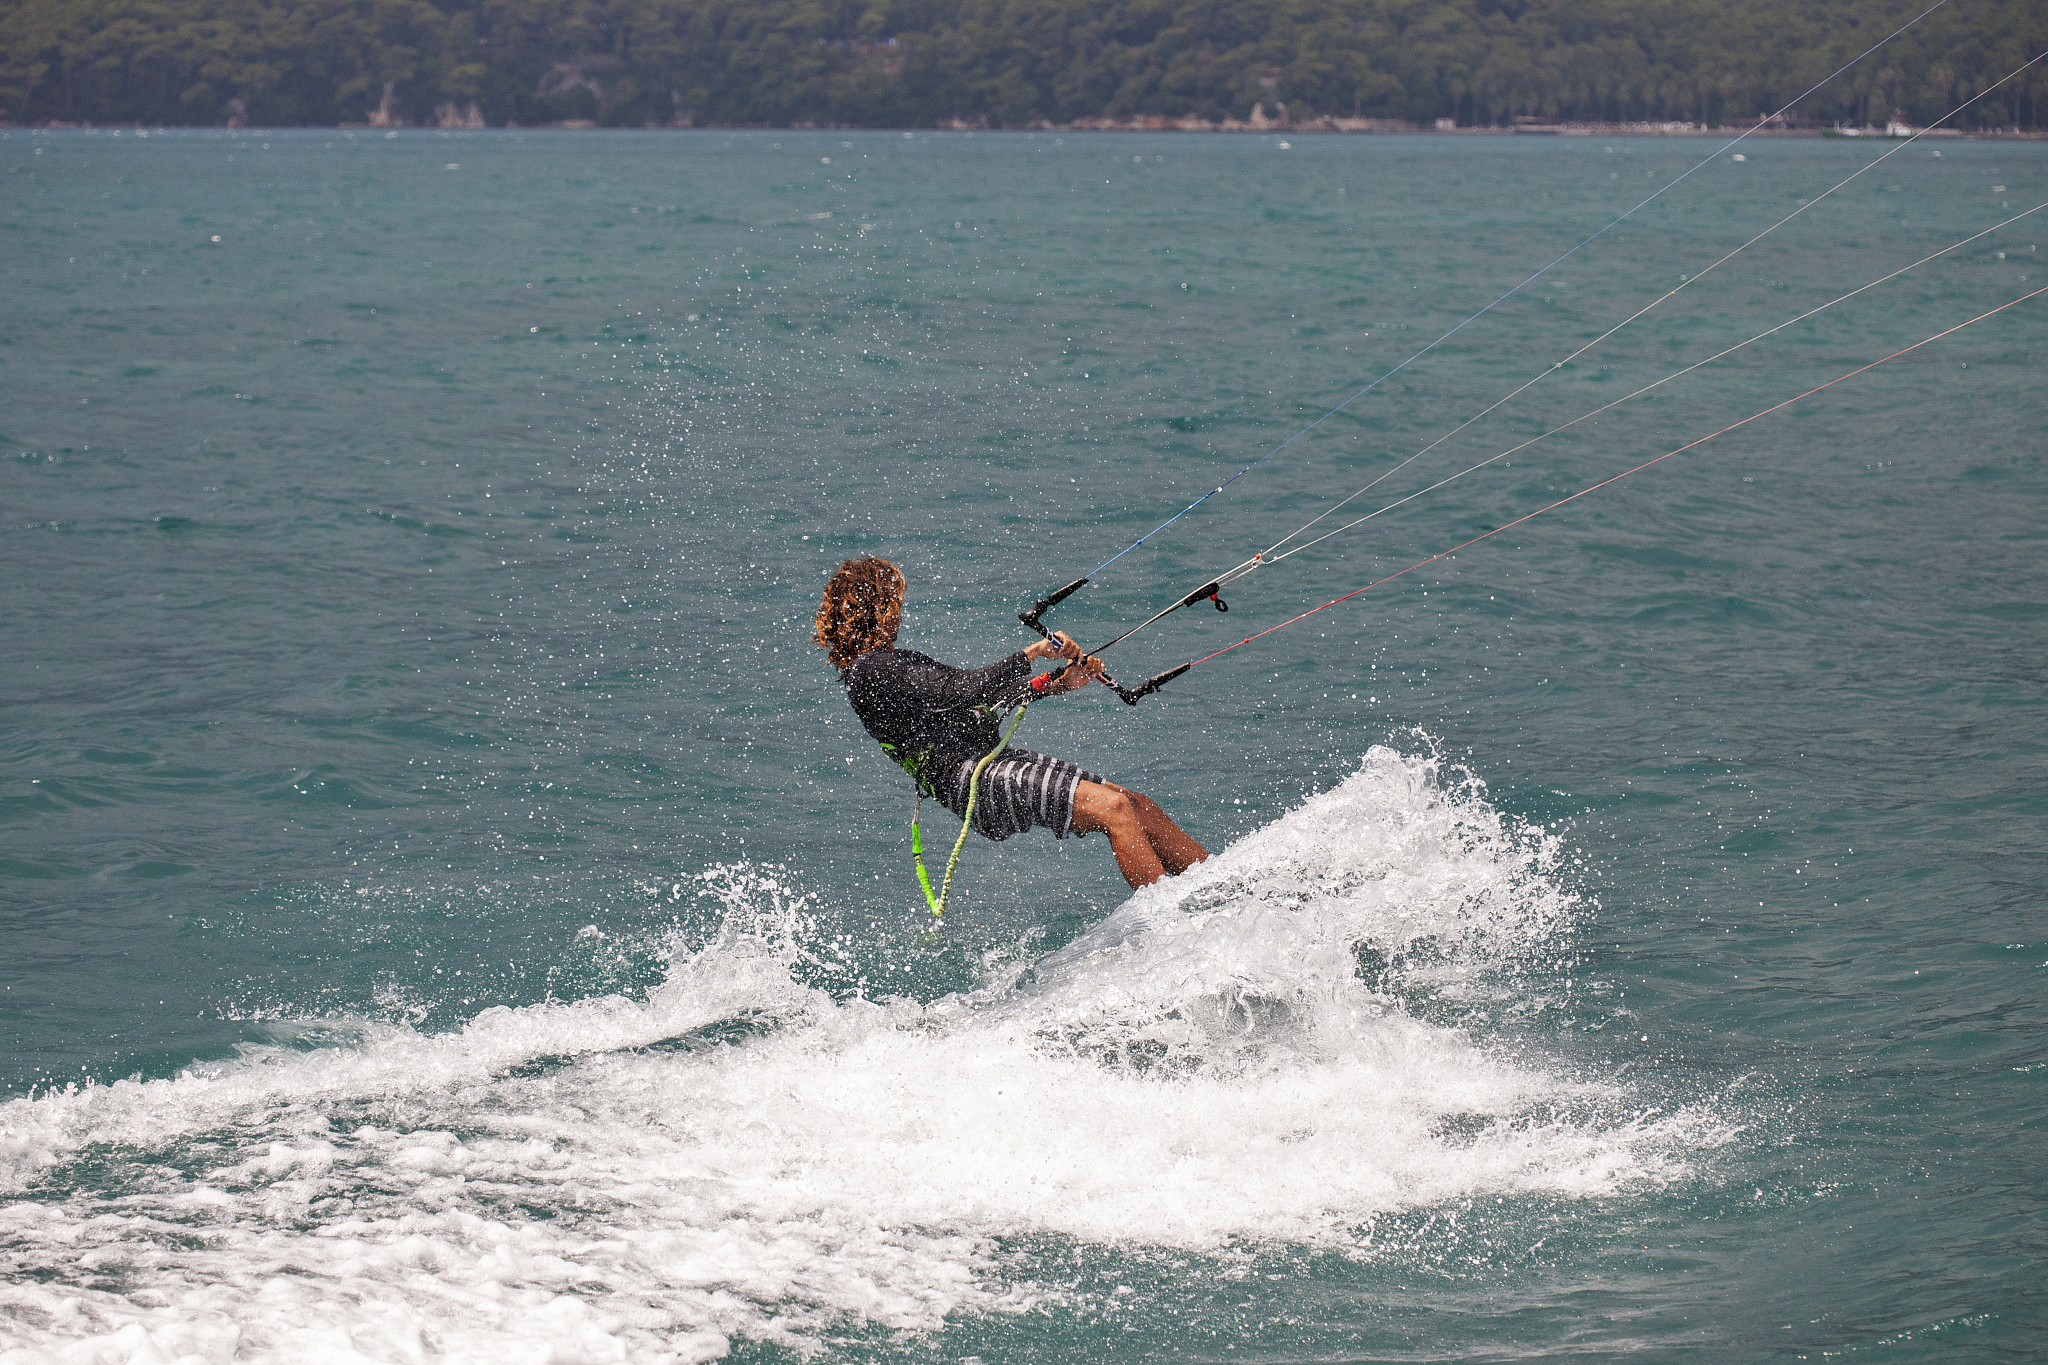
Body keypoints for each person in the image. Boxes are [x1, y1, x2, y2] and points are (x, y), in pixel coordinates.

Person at [814, 556, 1207, 890]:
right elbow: (960, 689)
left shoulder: (888, 665)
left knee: (1138, 805)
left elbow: (977, 703)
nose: (899, 611)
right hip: (973, 782)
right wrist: (1033, 653)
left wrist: (1059, 682)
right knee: (1115, 809)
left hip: (988, 762)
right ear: (877, 607)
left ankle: (1216, 886)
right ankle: (1167, 927)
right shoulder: (872, 670)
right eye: (893, 601)